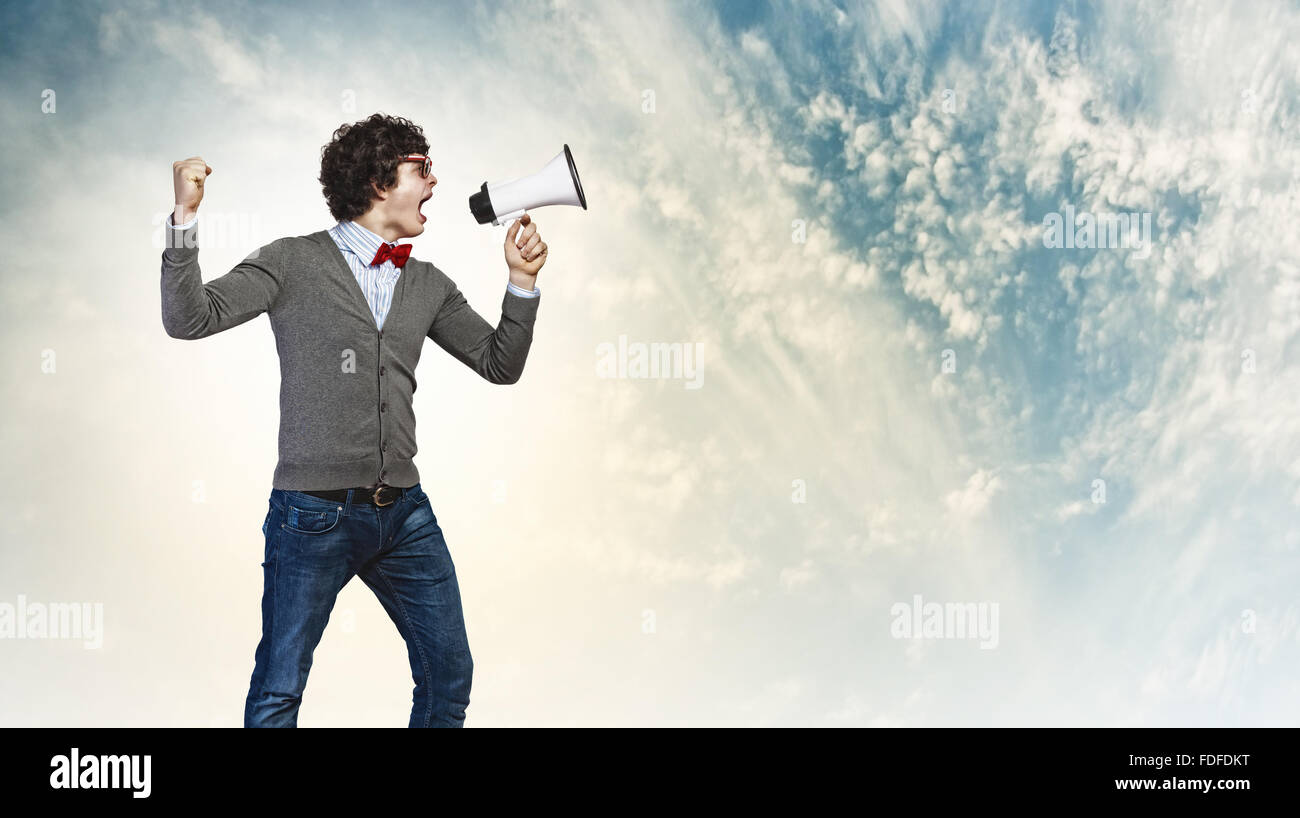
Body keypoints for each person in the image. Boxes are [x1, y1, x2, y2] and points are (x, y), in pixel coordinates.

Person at [160, 113, 548, 727]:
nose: (435, 182)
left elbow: (499, 364)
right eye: (421, 170)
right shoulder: (290, 262)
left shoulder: (427, 284)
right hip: (310, 515)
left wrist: (522, 284)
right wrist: (184, 221)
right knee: (279, 689)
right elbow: (190, 319)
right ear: (376, 182)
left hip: (404, 514)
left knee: (448, 674)